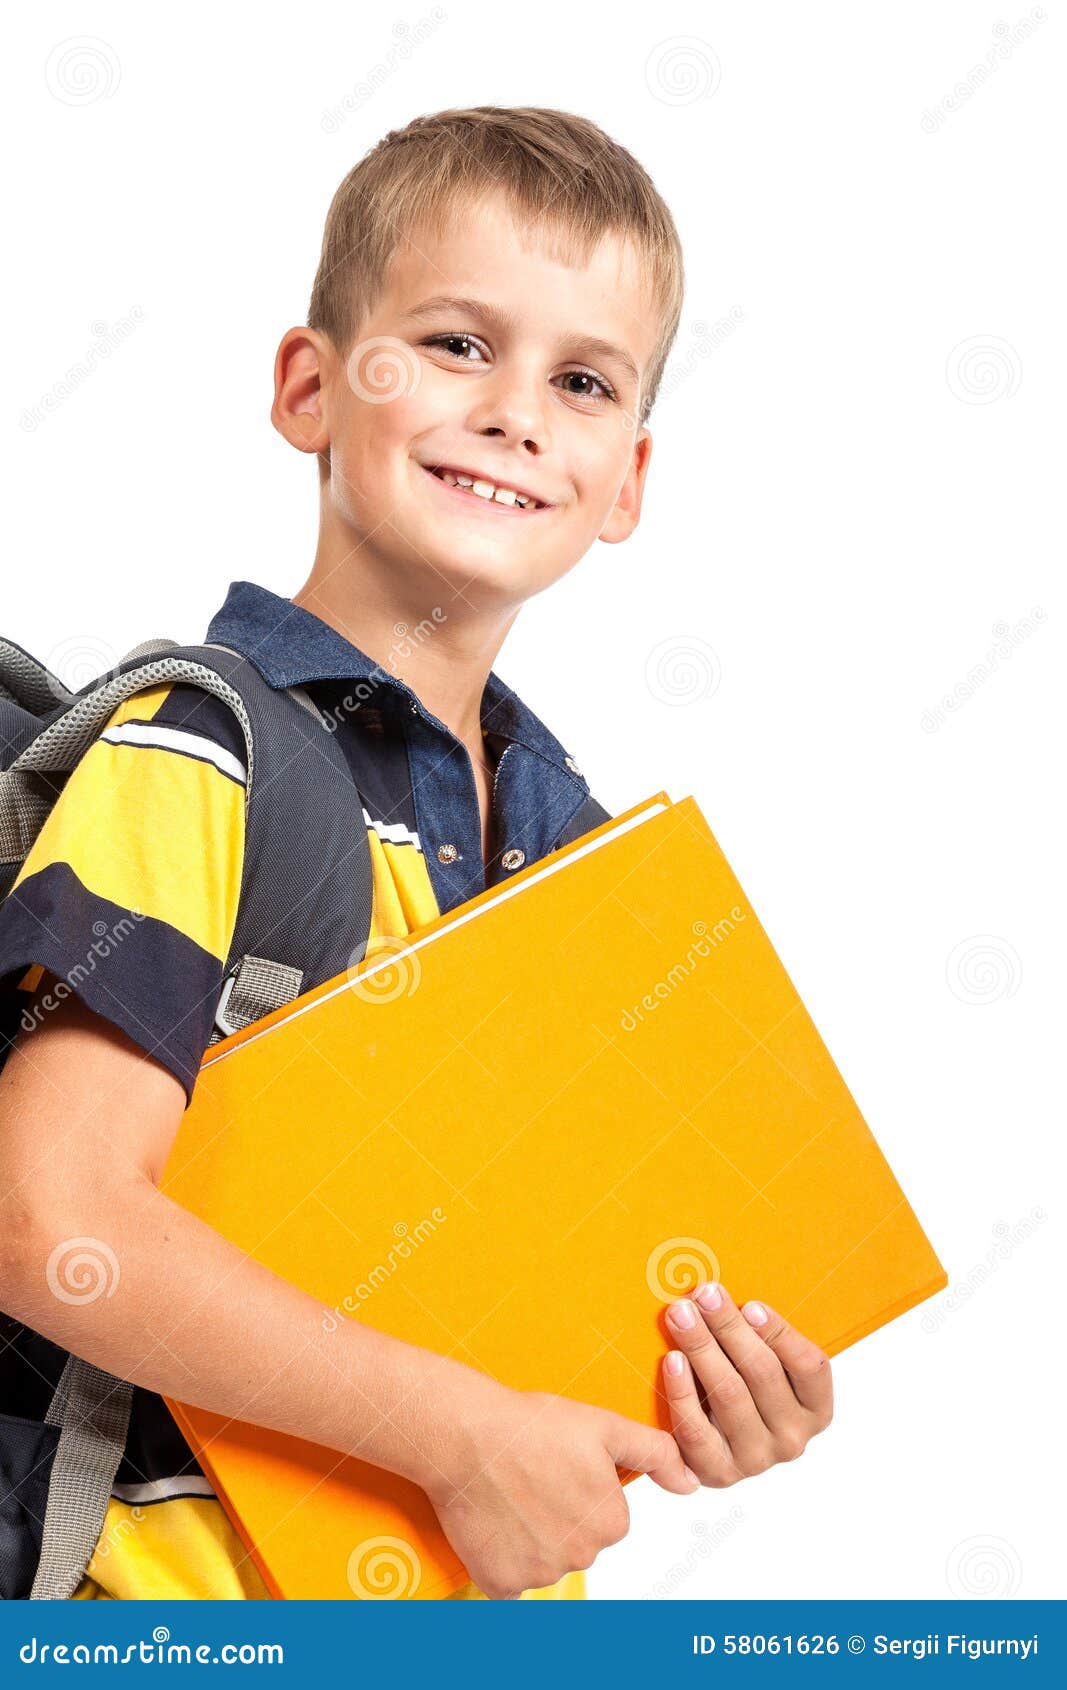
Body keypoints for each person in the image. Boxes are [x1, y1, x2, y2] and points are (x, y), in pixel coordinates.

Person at [0, 106, 832, 1603]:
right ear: (310, 388)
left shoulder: (585, 852)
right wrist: (458, 1435)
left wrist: (711, 1383)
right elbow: (50, 1222)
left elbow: (536, 1317)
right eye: (457, 345)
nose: (518, 412)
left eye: (581, 380)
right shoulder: (205, 751)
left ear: (628, 477)